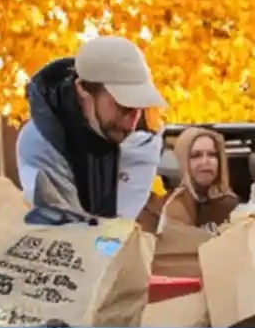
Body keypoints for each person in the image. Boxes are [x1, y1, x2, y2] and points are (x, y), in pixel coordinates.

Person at [16, 35, 166, 228]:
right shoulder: (41, 140)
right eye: (123, 105)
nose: (132, 121)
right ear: (82, 89)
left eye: (140, 107)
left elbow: (120, 223)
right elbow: (62, 230)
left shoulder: (139, 138)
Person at [159, 126, 238, 233]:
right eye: (196, 156)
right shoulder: (174, 206)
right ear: (183, 161)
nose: (205, 161)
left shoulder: (231, 205)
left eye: (212, 154)